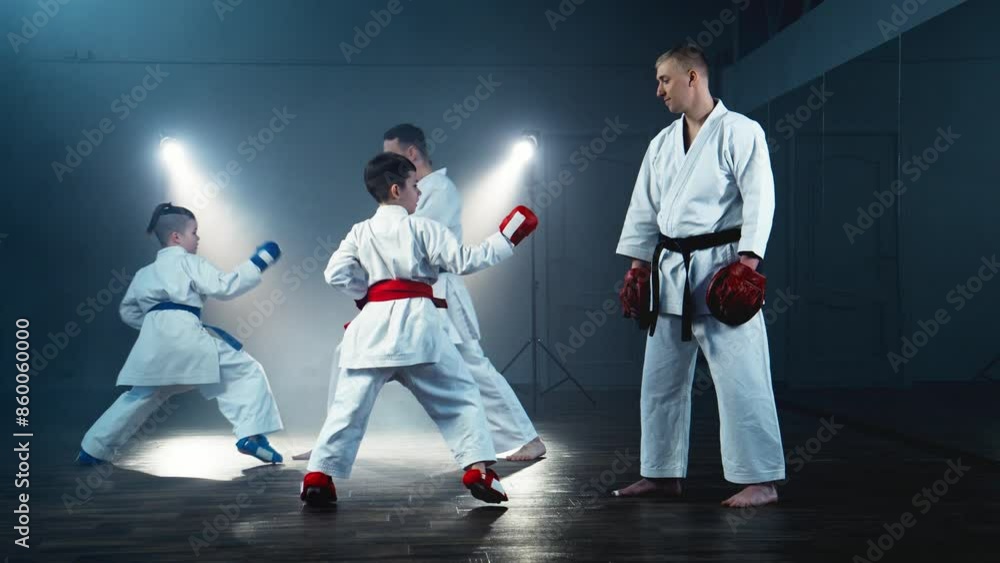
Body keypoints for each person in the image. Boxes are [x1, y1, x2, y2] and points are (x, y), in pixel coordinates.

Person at [300, 153, 538, 506]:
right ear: (397, 190)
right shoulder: (423, 227)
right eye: (415, 186)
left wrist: (366, 293)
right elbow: (464, 260)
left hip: (370, 332)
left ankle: (318, 475)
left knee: (346, 408)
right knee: (461, 397)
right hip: (419, 329)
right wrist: (506, 237)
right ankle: (478, 469)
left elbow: (334, 273)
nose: (420, 194)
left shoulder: (359, 232)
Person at [613, 44, 785, 508]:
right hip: (671, 270)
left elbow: (760, 199)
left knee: (742, 376)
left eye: (665, 80)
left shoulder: (740, 131)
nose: (658, 90)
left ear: (693, 77)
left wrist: (748, 265)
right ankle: (661, 473)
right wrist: (637, 268)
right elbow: (643, 208)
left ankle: (761, 480)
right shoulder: (662, 143)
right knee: (660, 379)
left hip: (721, 269)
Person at [77, 203, 285, 466]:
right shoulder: (189, 262)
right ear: (177, 237)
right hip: (188, 339)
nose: (198, 238)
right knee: (247, 370)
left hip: (154, 347)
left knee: (140, 395)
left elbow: (128, 311)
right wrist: (259, 262)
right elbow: (224, 286)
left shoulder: (144, 274)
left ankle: (92, 450)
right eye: (194, 232)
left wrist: (157, 327)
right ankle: (252, 436)